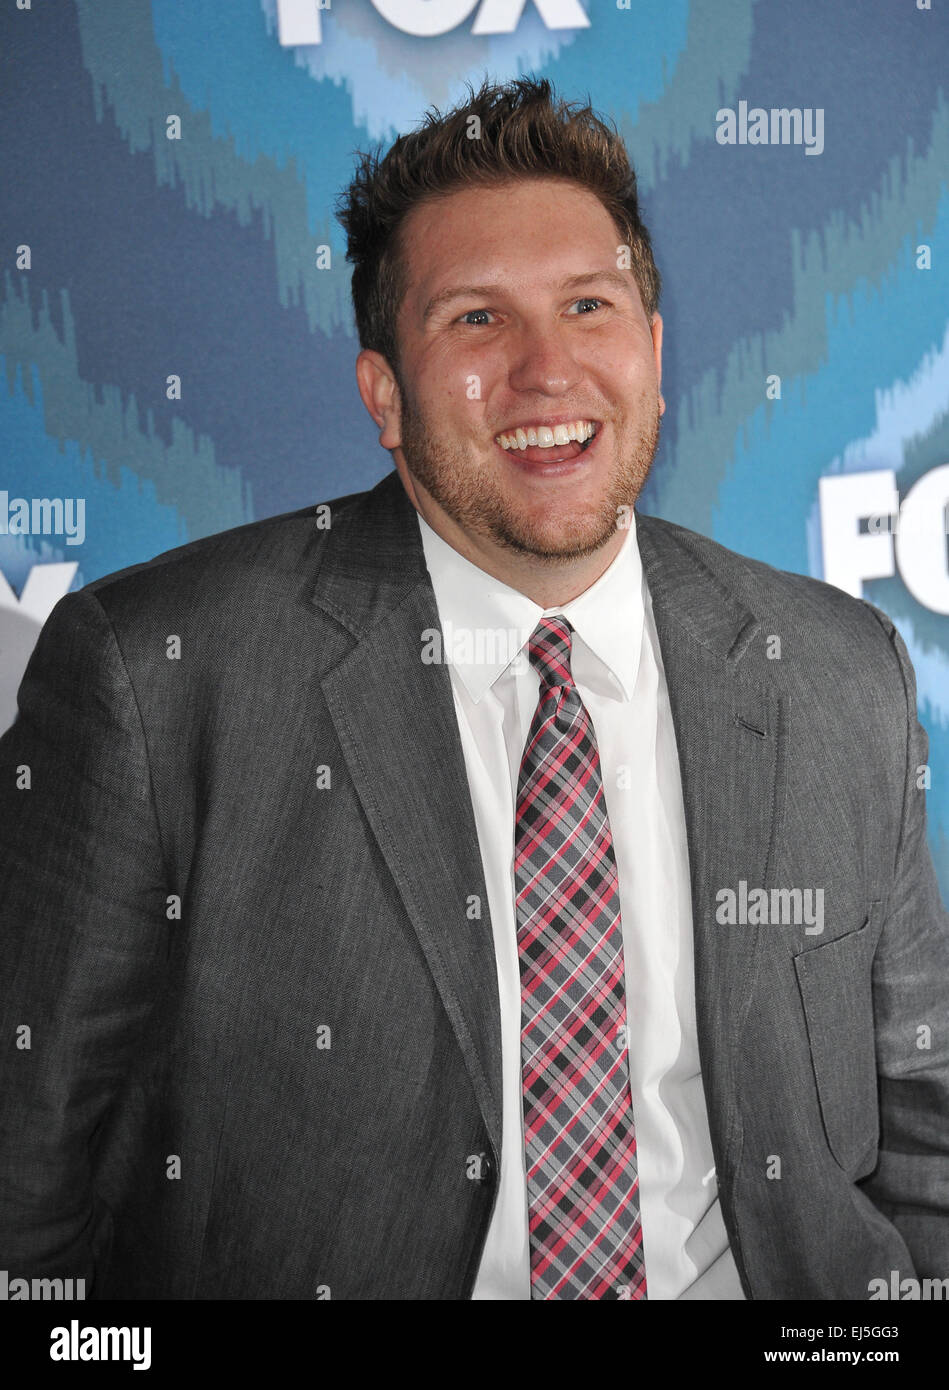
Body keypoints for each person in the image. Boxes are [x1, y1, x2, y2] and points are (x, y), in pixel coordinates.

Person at [1, 75, 947, 1302]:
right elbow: (28, 1179)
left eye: (588, 306)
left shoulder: (837, 669)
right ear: (384, 395)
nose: (547, 371)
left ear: (653, 355)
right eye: (477, 321)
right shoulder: (155, 676)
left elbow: (924, 1138)